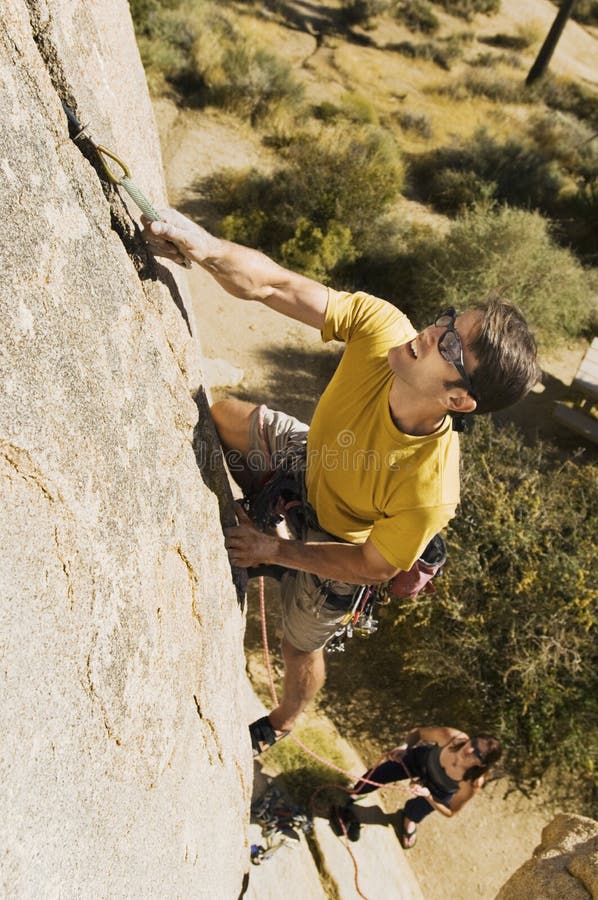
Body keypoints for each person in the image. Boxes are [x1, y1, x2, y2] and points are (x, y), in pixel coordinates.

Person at [142, 209, 540, 755]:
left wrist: (276, 550)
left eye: (452, 346)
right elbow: (276, 285)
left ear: (458, 400)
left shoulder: (430, 486)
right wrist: (204, 246)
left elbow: (373, 566)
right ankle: (266, 533)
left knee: (297, 645)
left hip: (341, 546)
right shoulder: (385, 331)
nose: (435, 331)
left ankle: (284, 719)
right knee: (226, 418)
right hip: (313, 461)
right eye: (449, 320)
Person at [335, 726, 503, 847]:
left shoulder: (472, 782)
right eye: (473, 743)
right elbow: (418, 732)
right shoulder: (451, 737)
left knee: (417, 810)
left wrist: (428, 795)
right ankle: (357, 792)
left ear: (482, 764)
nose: (469, 750)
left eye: (477, 753)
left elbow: (450, 811)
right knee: (379, 774)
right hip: (421, 761)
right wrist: (405, 747)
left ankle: (408, 820)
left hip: (439, 790)